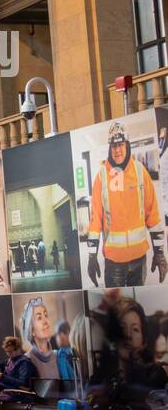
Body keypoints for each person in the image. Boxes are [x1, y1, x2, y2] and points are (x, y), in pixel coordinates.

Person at [87, 121, 167, 288]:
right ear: (110, 147)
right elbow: (95, 220)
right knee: (117, 311)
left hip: (139, 260)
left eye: (121, 144)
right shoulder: (101, 176)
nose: (117, 150)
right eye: (114, 145)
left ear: (127, 145)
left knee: (135, 309)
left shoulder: (140, 171)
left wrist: (159, 252)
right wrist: (91, 256)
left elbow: (152, 214)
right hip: (113, 262)